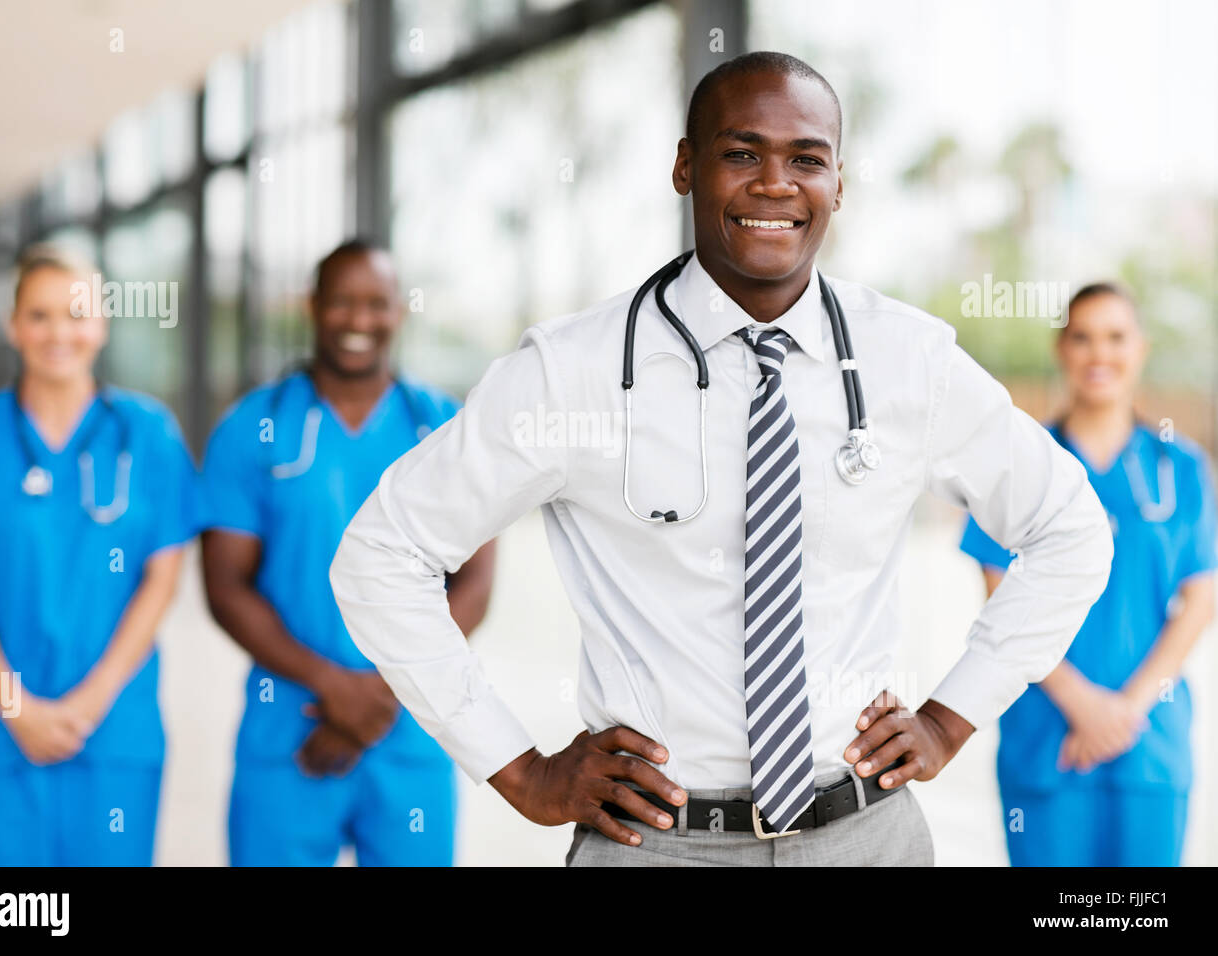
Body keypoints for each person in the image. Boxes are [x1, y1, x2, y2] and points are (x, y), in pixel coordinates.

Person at [328, 51, 1113, 867]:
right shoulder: (573, 373)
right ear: (685, 167)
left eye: (806, 159)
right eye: (742, 153)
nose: (775, 184)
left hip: (867, 837)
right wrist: (519, 770)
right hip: (657, 844)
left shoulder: (908, 361)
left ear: (838, 183)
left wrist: (953, 717)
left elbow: (1071, 529)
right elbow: (381, 555)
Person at [200, 239, 496, 867]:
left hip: (409, 725)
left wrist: (380, 694)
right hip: (290, 722)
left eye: (376, 304)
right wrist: (333, 687)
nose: (359, 320)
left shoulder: (444, 429)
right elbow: (226, 587)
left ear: (399, 312)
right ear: (312, 306)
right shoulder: (253, 429)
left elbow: (475, 582)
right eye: (342, 302)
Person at [0, 244, 197, 866]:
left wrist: (88, 703)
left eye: (75, 314)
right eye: (39, 316)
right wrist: (19, 710)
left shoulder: (148, 434)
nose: (57, 333)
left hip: (114, 725)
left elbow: (161, 580)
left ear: (100, 322)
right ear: (14, 325)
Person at [959, 282, 1216, 866]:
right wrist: (1085, 708)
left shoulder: (1182, 467)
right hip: (1047, 738)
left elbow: (1201, 600)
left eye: (1116, 337)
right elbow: (1001, 596)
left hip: (1147, 738)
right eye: (1082, 337)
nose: (1099, 353)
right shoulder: (1023, 464)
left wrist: (1122, 713)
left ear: (1141, 349)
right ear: (1061, 350)